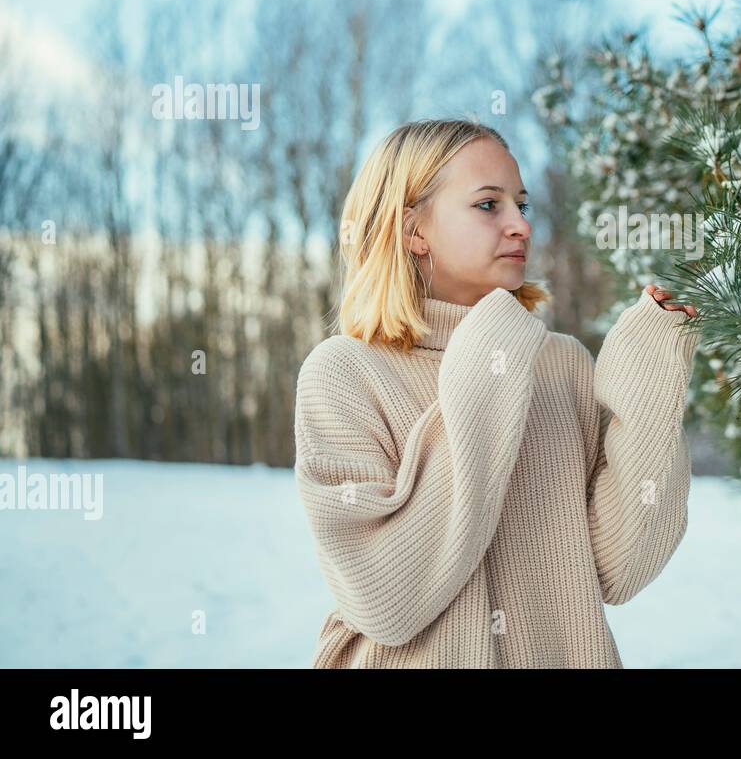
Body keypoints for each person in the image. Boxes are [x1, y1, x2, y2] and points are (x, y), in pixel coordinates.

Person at [294, 118, 700, 667]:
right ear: (414, 229)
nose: (521, 226)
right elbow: (384, 600)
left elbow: (618, 568)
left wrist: (650, 388)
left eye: (522, 205)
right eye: (489, 205)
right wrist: (489, 360)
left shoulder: (560, 365)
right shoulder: (344, 373)